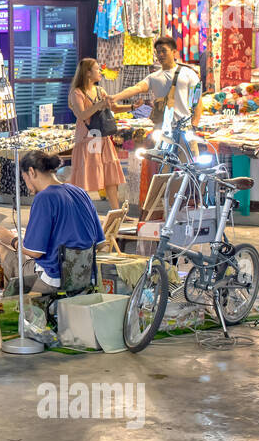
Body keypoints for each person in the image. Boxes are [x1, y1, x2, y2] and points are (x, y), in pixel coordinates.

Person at [13, 150, 105, 294]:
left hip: (53, 279)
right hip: (85, 278)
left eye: (24, 178)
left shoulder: (44, 198)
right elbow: (100, 243)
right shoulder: (81, 192)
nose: (26, 184)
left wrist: (11, 240)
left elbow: (34, 252)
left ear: (31, 172)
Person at [68, 58, 124, 212]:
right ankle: (81, 212)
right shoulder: (77, 93)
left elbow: (115, 108)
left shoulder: (100, 90)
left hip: (103, 137)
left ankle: (116, 212)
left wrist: (134, 106)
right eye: (97, 69)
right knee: (86, 174)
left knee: (110, 176)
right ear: (87, 73)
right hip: (88, 138)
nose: (100, 71)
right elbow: (82, 114)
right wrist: (99, 104)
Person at [113, 36, 203, 129]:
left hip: (184, 127)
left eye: (164, 51)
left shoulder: (188, 73)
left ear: (174, 52)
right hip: (161, 129)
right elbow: (137, 88)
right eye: (158, 52)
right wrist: (115, 97)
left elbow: (197, 102)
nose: (160, 55)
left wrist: (194, 126)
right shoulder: (153, 77)